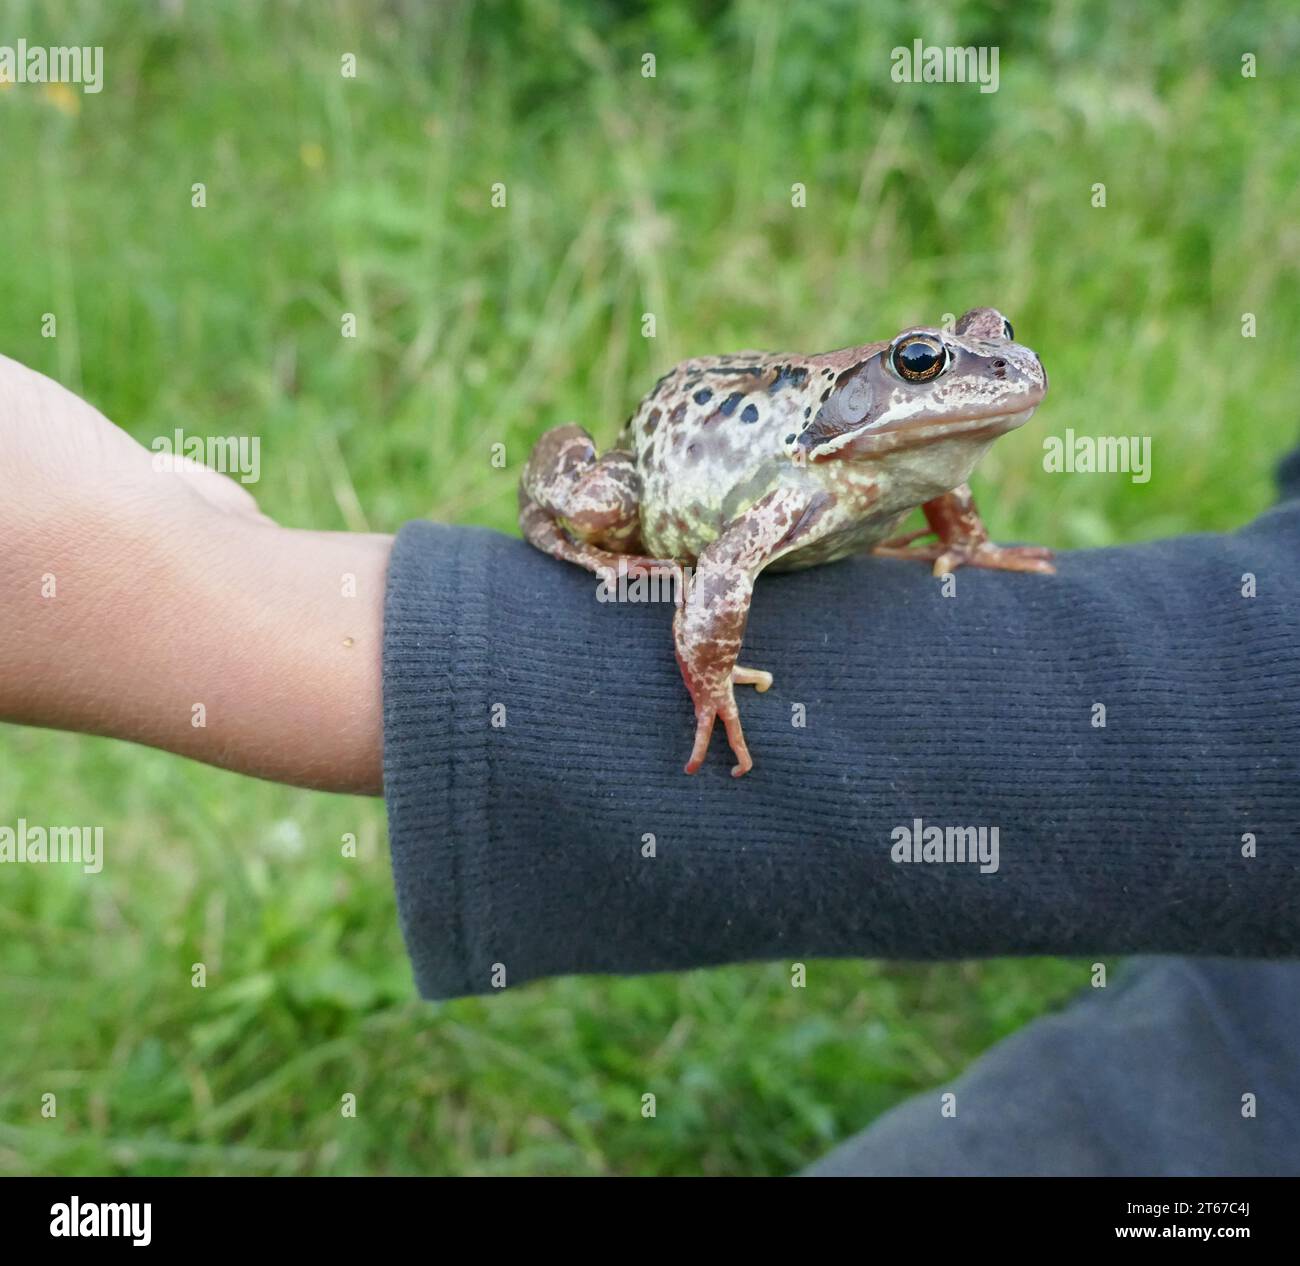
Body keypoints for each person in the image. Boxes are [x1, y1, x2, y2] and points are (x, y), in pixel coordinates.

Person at [3, 353, 1297, 1176]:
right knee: (598, 505)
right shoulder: (816, 474)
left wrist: (208, 593)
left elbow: (791, 552)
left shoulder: (891, 473)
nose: (978, 374)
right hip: (1240, 1019)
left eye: (970, 355)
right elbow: (719, 565)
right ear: (872, 385)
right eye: (919, 363)